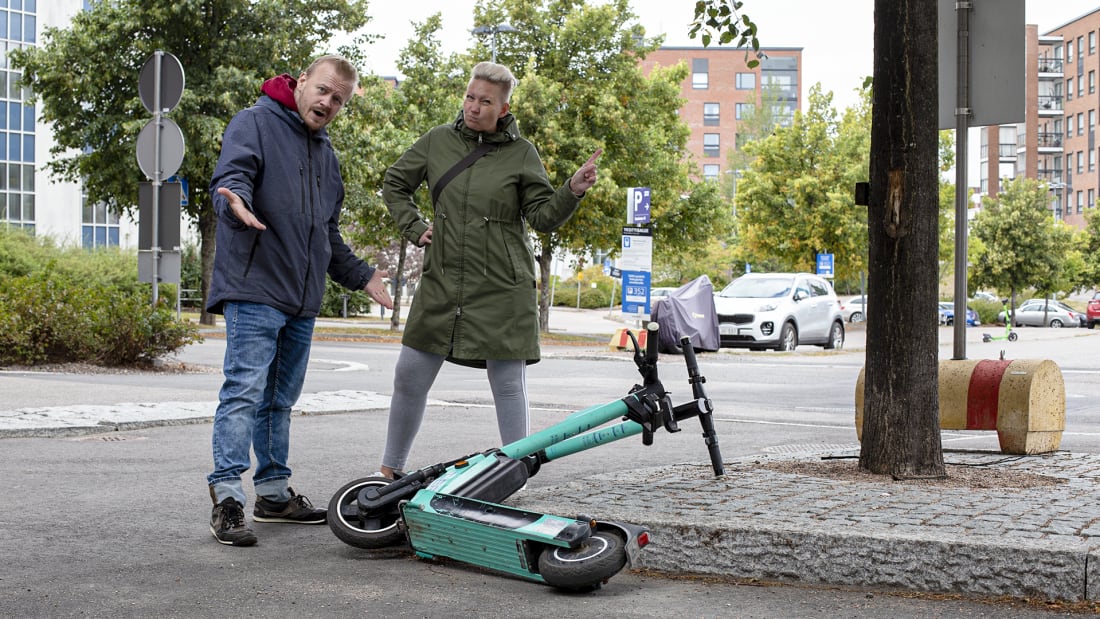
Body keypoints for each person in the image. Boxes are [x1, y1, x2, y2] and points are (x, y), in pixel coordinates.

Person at [377, 61, 600, 479]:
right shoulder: (436, 141)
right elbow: (395, 183)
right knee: (409, 375)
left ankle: (516, 472)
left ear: (503, 108)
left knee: (507, 384)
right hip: (442, 281)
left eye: (485, 101)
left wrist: (571, 191)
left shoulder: (522, 153)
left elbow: (541, 217)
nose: (474, 107)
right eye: (470, 97)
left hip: (503, 286)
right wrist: (414, 226)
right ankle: (389, 474)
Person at [205, 54, 393, 546]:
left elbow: (325, 235)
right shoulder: (255, 122)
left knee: (279, 401)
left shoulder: (326, 157)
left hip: (300, 299)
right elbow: (233, 175)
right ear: (302, 81)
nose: (329, 102)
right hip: (255, 286)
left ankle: (272, 493)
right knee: (244, 392)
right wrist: (236, 201)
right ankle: (228, 498)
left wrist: (363, 277)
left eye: (340, 99)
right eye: (324, 90)